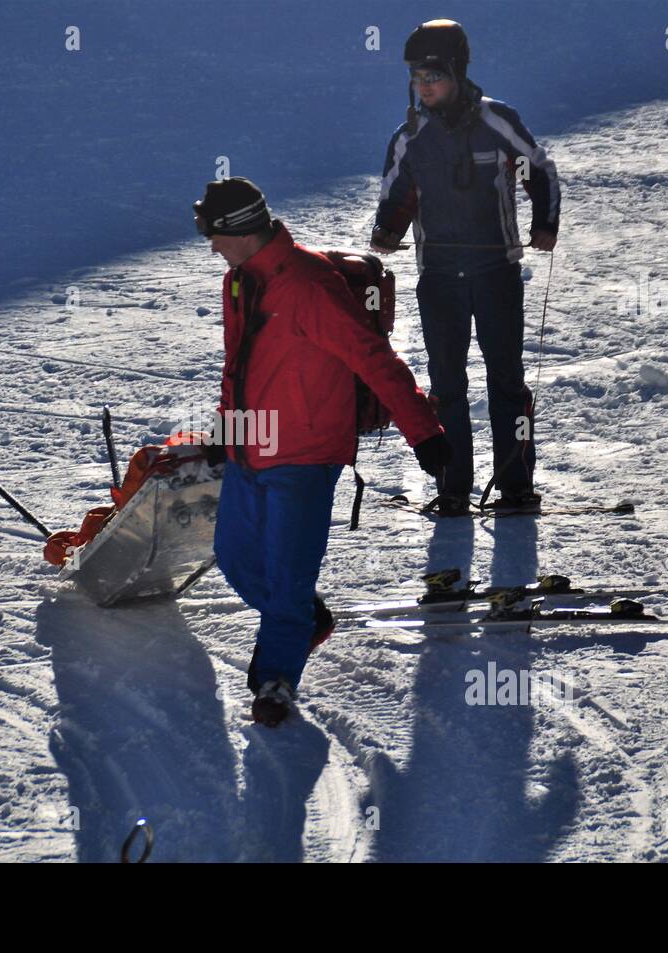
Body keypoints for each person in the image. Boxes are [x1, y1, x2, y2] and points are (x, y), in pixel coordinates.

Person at [195, 177, 450, 727]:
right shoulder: (239, 282)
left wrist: (423, 432)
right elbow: (237, 366)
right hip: (249, 445)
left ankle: (275, 682)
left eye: (213, 233)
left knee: (288, 575)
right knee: (236, 557)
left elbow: (373, 357)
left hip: (306, 454)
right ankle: (302, 621)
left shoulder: (309, 285)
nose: (210, 244)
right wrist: (225, 430)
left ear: (239, 229)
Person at [372, 18, 560, 514]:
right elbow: (397, 192)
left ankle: (515, 484)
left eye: (431, 76)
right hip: (438, 278)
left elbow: (537, 169)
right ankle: (452, 486)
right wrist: (388, 230)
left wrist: (545, 221)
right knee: (447, 384)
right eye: (416, 77)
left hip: (495, 272)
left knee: (506, 381)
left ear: (456, 71)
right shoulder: (409, 136)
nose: (423, 86)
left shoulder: (497, 121)